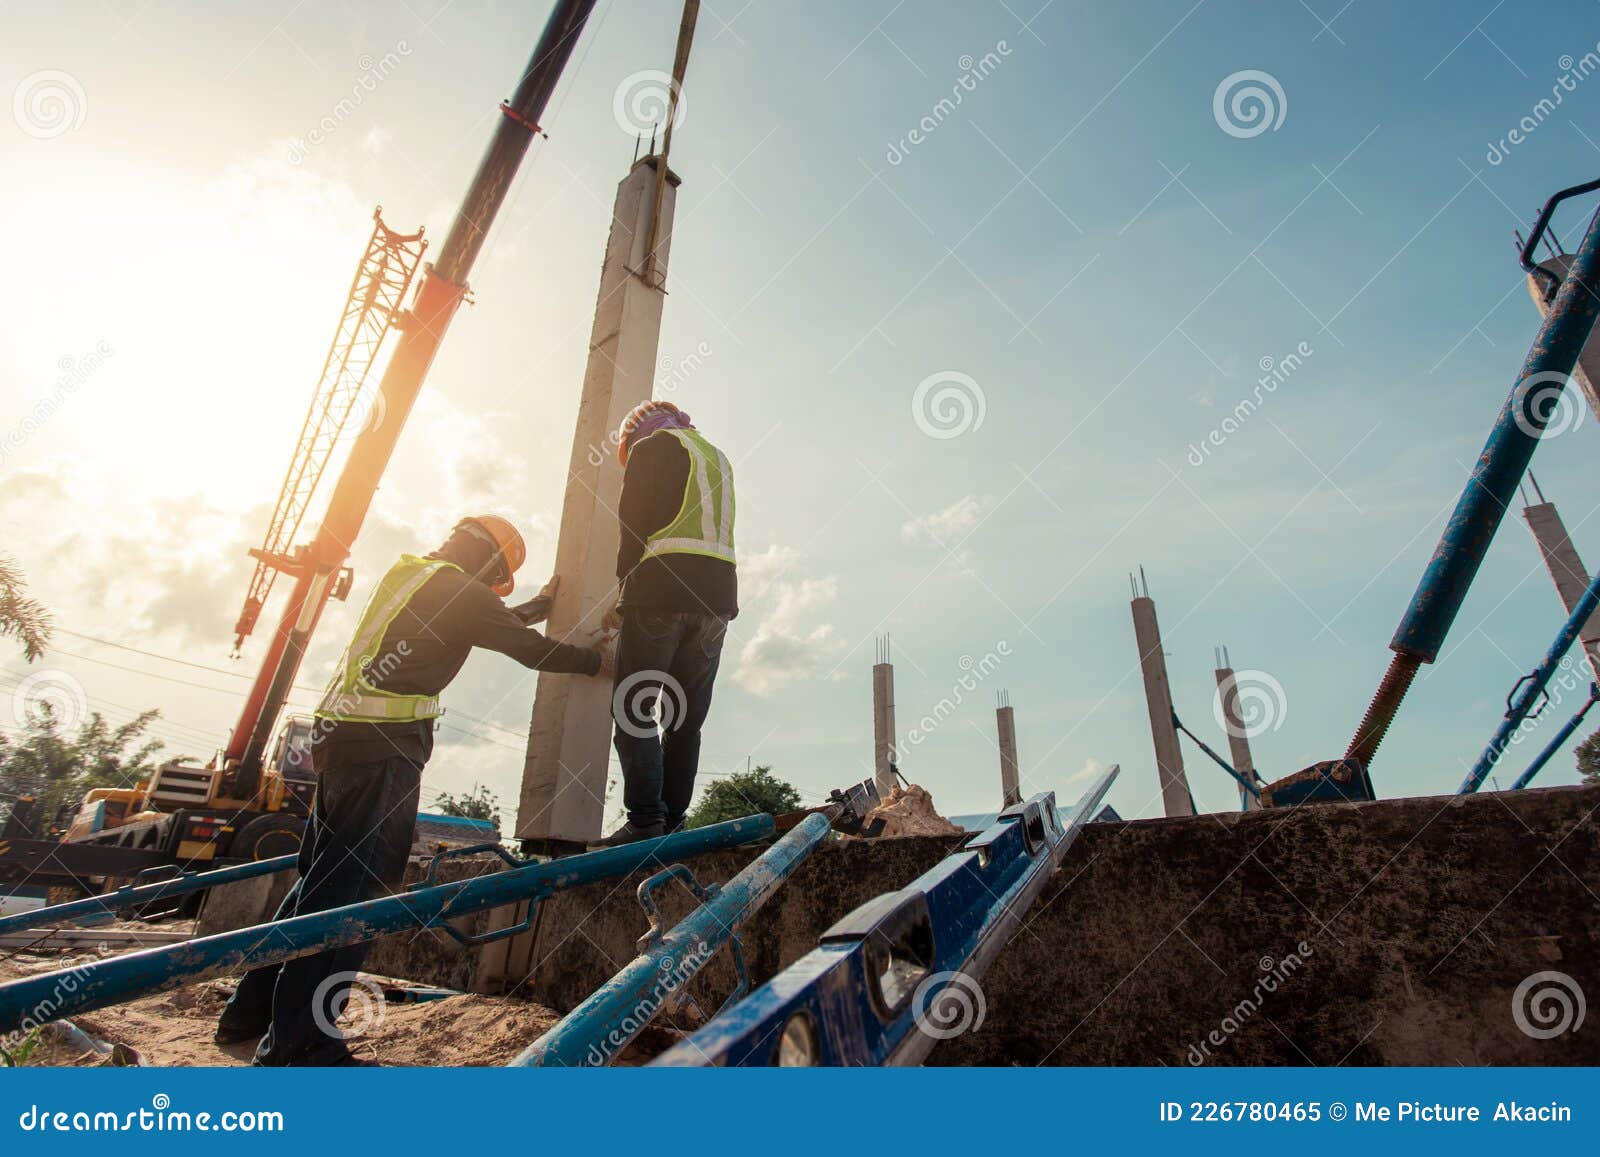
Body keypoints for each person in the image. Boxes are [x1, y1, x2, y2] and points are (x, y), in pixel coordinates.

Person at [216, 515, 608, 1066]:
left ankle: (248, 1015)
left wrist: (538, 607)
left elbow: (483, 621)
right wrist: (597, 661)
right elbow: (528, 650)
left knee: (316, 888)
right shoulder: (462, 591)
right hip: (382, 751)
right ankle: (299, 1048)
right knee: (352, 898)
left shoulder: (416, 576)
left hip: (342, 743)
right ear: (492, 563)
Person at [595, 400, 737, 847]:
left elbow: (631, 529)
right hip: (717, 604)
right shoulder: (717, 456)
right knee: (686, 721)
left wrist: (622, 596)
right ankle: (673, 824)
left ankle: (644, 821)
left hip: (660, 592)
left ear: (634, 433)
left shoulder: (651, 447)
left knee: (637, 709)